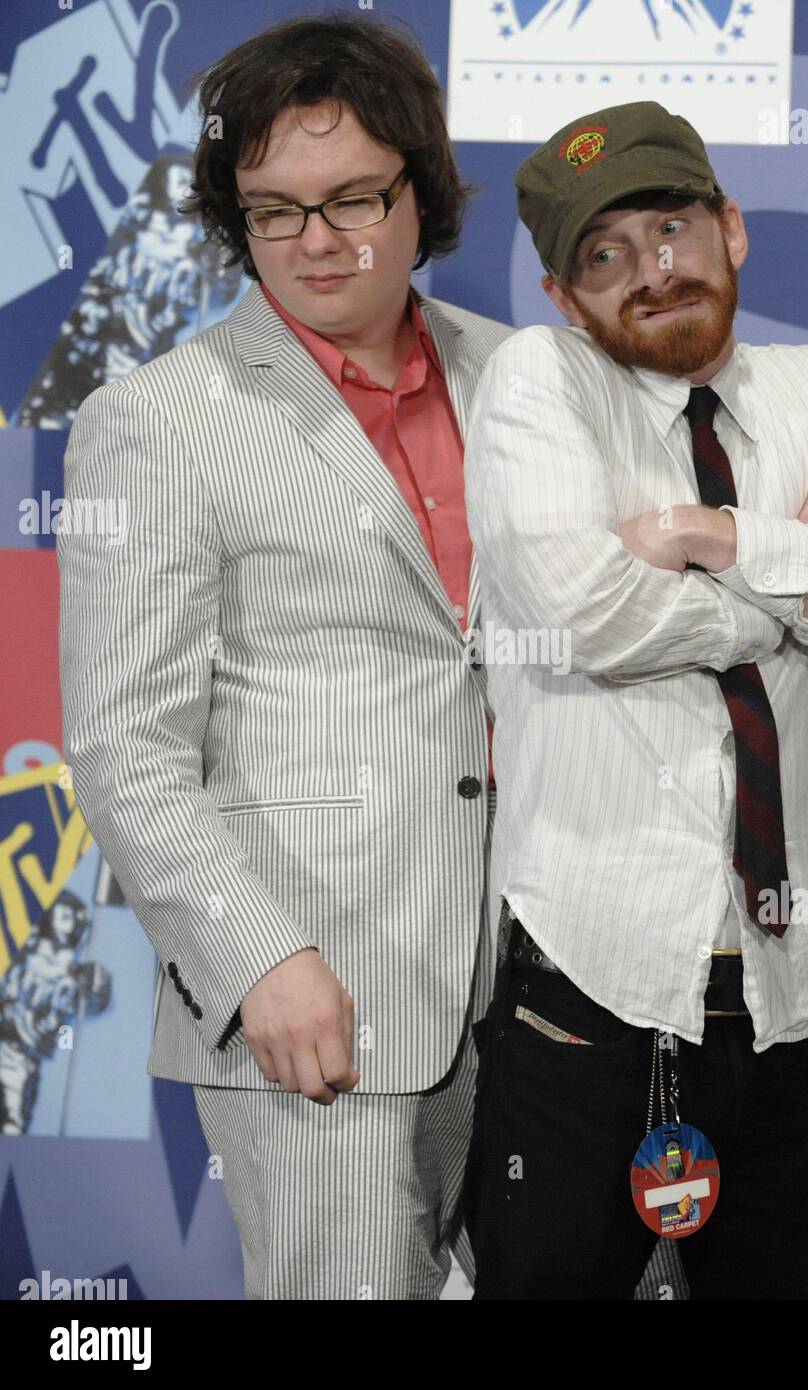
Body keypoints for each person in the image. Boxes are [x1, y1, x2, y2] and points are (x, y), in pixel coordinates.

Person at [461, 100, 808, 1300]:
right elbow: (594, 617)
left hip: (791, 1004)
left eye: (672, 228)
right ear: (559, 292)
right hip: (585, 995)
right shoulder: (537, 384)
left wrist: (701, 532)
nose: (650, 272)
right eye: (604, 255)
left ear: (730, 228)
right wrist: (799, 583)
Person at [56, 14, 513, 1301]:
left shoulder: (526, 379)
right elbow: (125, 751)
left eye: (352, 198)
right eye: (271, 211)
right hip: (321, 1002)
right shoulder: (155, 422)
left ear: (420, 195)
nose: (316, 240)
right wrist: (259, 954)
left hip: (546, 995)